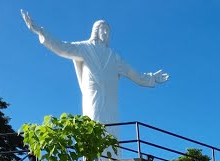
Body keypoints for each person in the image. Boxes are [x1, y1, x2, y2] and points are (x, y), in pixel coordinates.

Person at [20, 10, 169, 125]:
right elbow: (62, 47)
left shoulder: (114, 56)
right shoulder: (84, 48)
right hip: (94, 93)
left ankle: (114, 160)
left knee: (112, 129)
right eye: (103, 29)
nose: (106, 33)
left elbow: (133, 73)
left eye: (108, 31)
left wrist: (151, 78)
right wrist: (41, 31)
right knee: (93, 123)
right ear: (96, 31)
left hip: (111, 99)